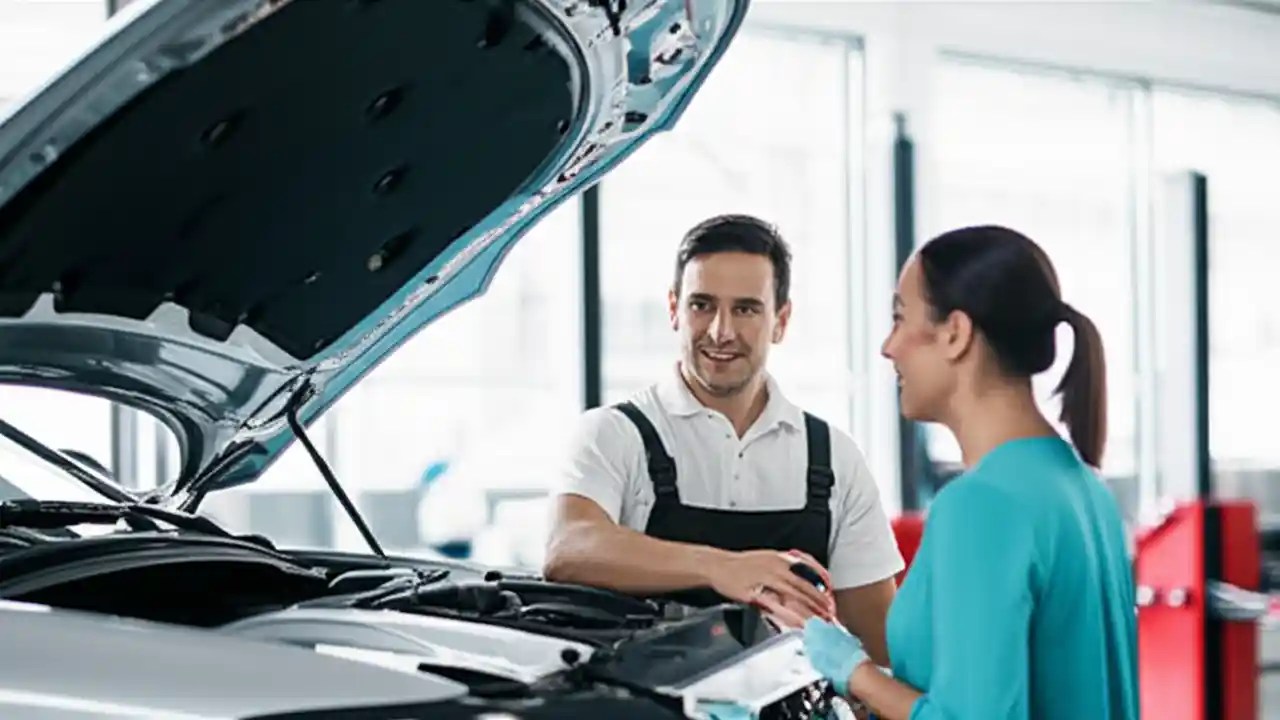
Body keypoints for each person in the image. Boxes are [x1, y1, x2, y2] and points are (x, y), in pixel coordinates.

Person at [801, 225, 1139, 719]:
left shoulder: (982, 505)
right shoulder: (1084, 487)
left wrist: (853, 670)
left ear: (956, 334)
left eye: (900, 318)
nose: (887, 347)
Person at [542, 213, 905, 663]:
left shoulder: (832, 458)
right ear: (674, 309)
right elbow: (568, 547)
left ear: (781, 321)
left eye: (746, 309)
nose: (721, 331)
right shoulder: (614, 434)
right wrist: (723, 568)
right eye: (702, 305)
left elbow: (882, 644)